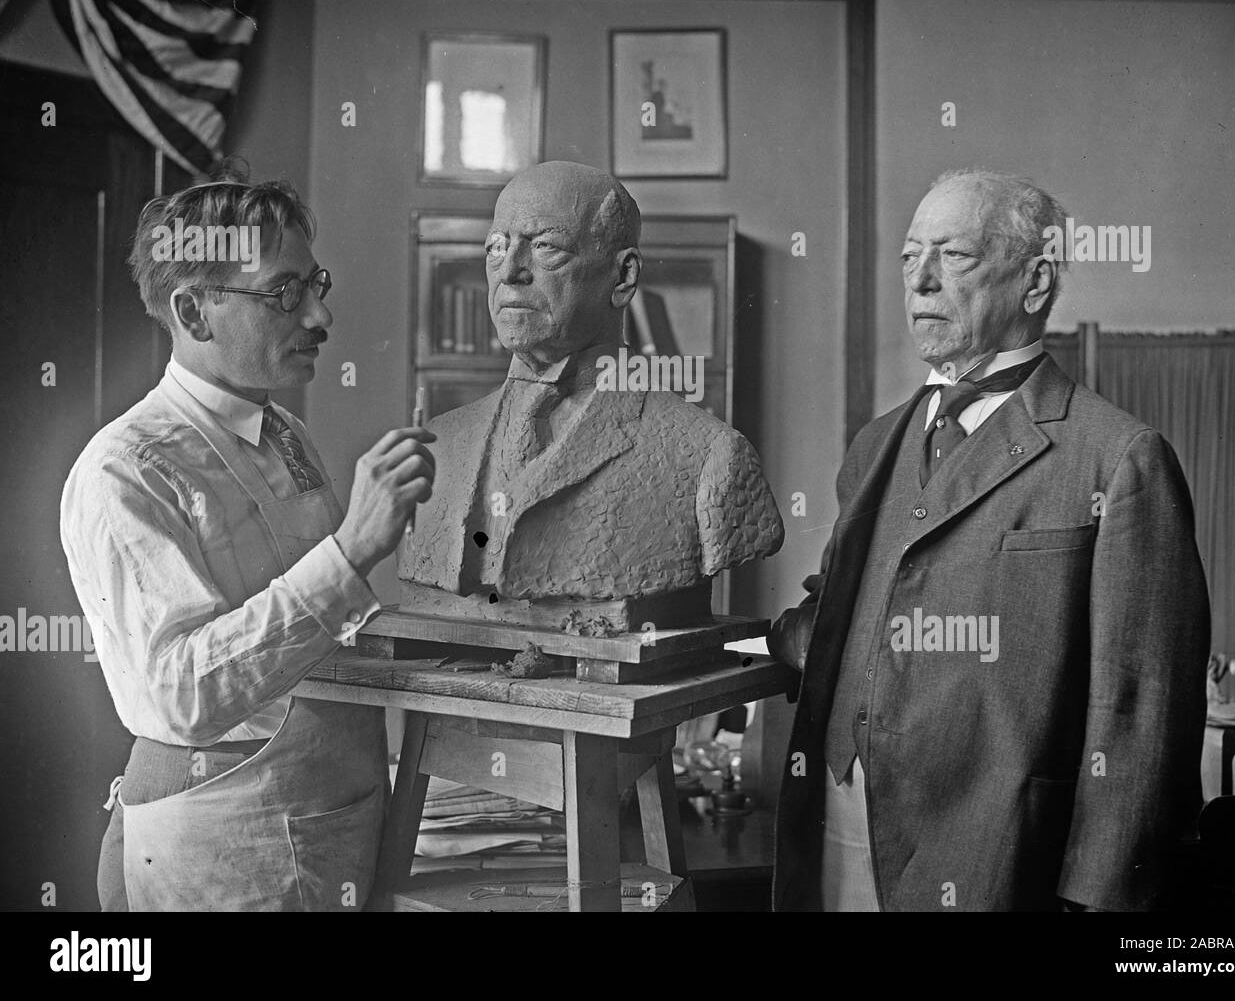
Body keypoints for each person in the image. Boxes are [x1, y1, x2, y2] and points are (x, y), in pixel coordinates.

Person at [768, 168, 1209, 912]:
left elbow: (1141, 711)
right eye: (910, 258)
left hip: (997, 858)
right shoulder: (877, 443)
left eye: (953, 256)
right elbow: (851, 605)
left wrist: (1097, 901)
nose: (921, 283)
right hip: (841, 831)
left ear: (1035, 282)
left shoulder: (1118, 457)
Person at [60, 164, 436, 911]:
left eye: (315, 284)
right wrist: (353, 550)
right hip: (221, 857)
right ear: (194, 313)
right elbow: (180, 692)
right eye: (283, 294)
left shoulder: (282, 432)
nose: (320, 318)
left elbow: (315, 636)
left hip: (323, 827)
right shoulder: (125, 468)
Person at [402, 160, 782, 606]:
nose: (510, 271)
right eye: (496, 247)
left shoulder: (709, 457)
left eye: (545, 247)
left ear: (623, 278)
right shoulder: (437, 448)